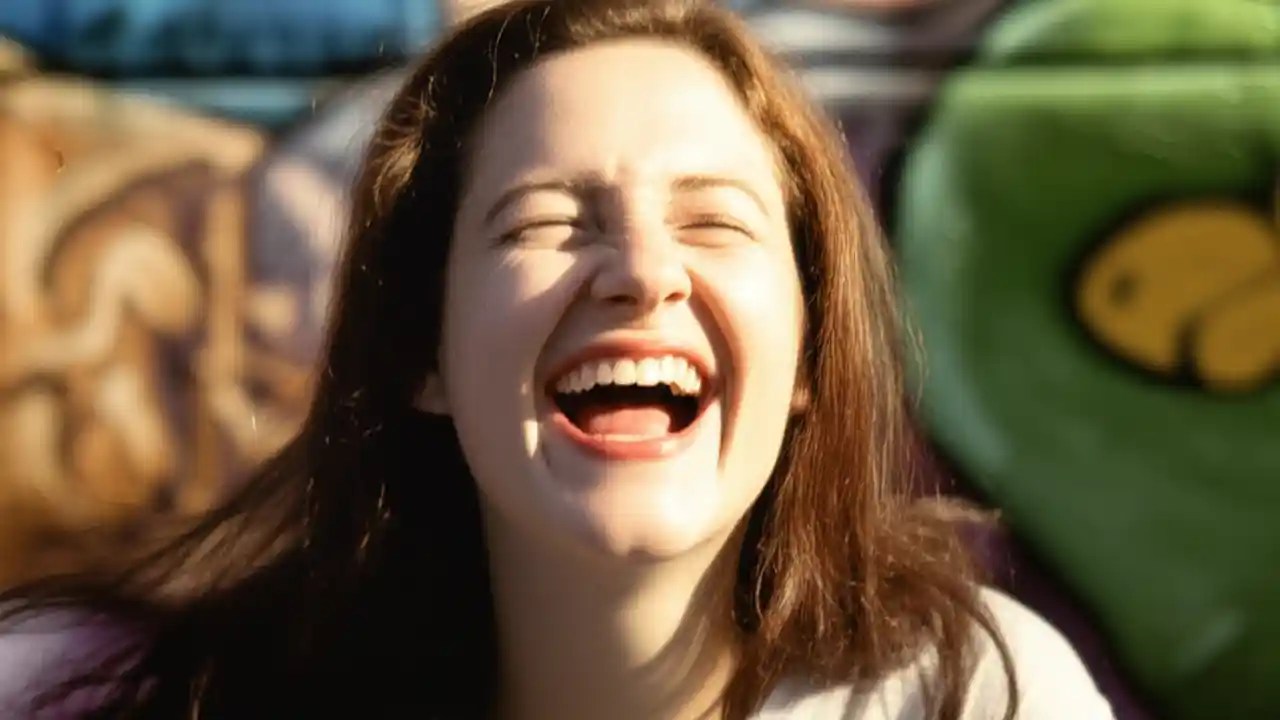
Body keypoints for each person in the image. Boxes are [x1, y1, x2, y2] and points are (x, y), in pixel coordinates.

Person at [0, 1, 1116, 718]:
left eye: (714, 223)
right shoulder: (83, 691)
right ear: (417, 351)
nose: (639, 272)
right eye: (545, 222)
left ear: (811, 354)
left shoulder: (980, 696)